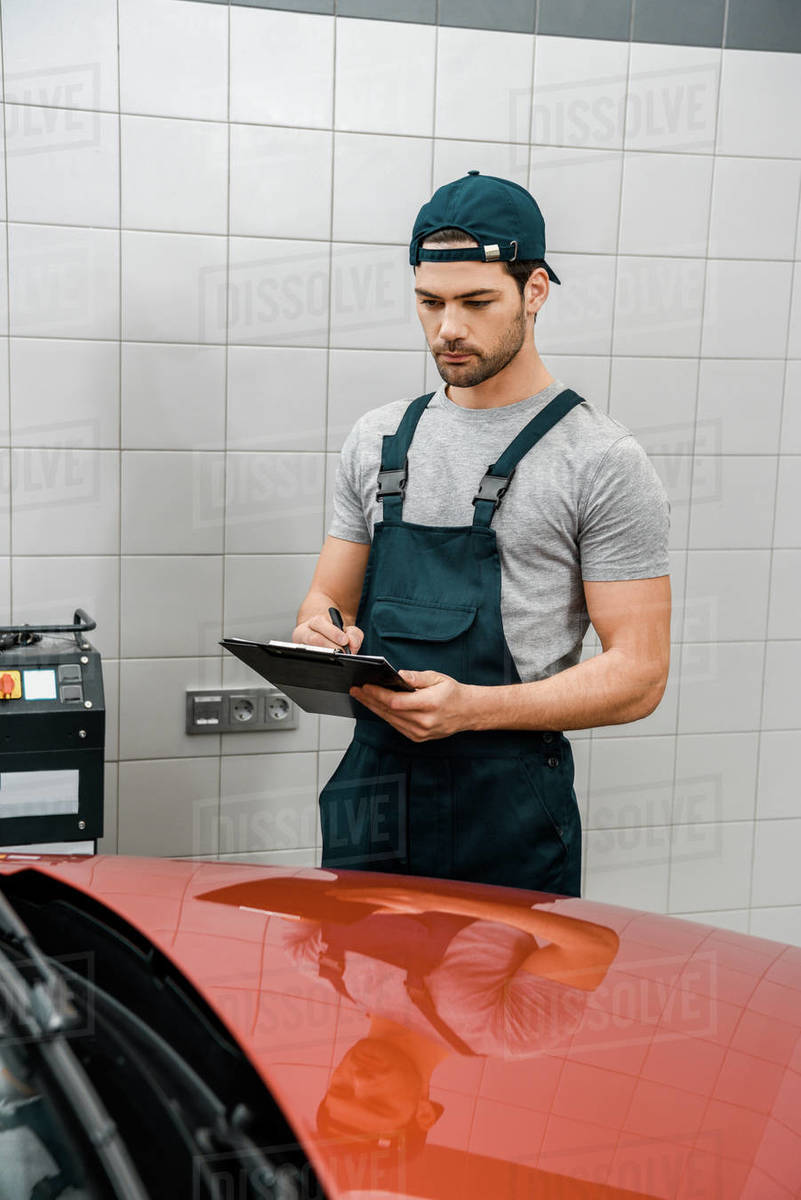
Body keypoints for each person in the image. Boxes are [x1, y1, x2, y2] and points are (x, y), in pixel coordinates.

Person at [293, 170, 671, 895]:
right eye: (428, 303)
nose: (448, 329)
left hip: (506, 813)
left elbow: (639, 675)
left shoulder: (599, 459)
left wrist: (475, 709)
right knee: (365, 1008)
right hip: (371, 798)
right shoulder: (375, 440)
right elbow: (323, 603)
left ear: (534, 292)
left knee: (496, 1010)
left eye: (475, 302)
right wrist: (320, 634)